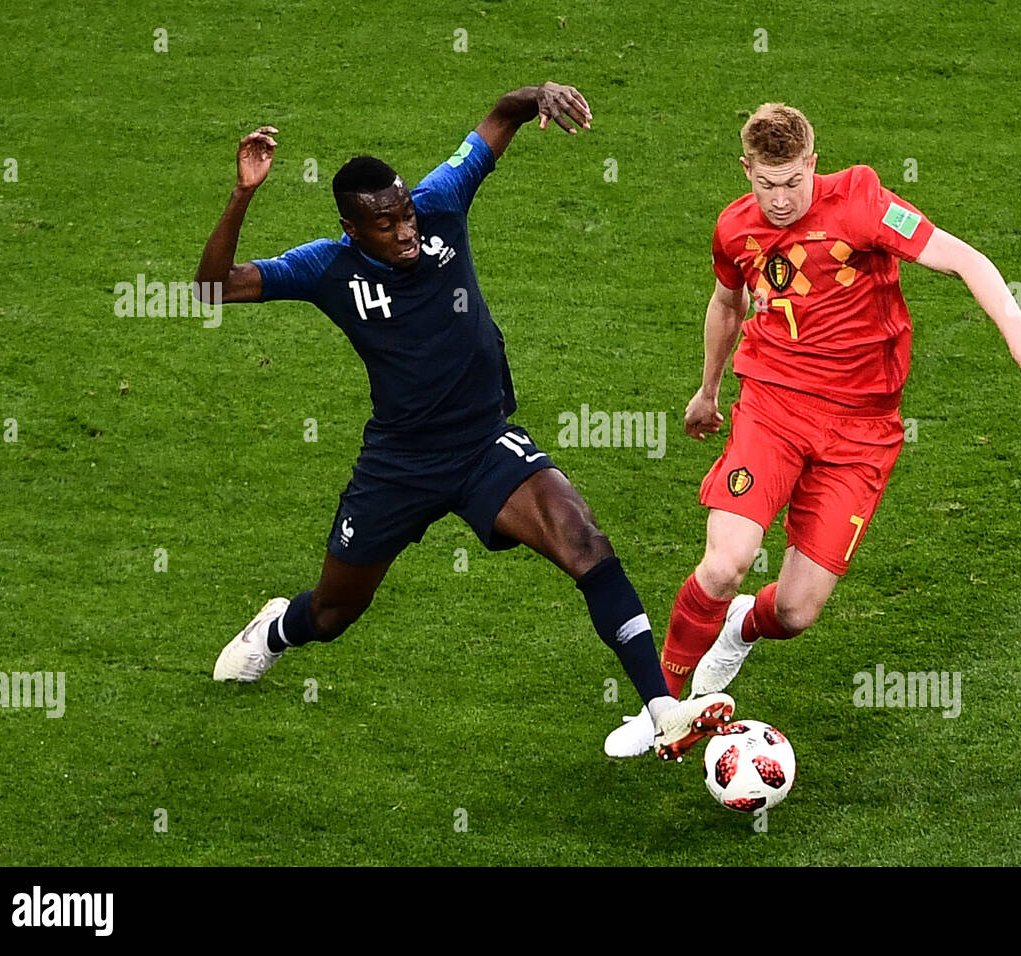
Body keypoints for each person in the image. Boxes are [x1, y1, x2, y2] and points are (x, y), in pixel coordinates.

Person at [195, 82, 733, 761]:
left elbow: (498, 118)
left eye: (405, 213)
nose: (405, 229)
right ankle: (276, 631)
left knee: (585, 542)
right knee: (334, 613)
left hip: (484, 442)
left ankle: (662, 711)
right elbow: (212, 287)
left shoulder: (440, 201)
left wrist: (542, 94)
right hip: (399, 464)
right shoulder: (326, 267)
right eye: (386, 224)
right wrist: (244, 193)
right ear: (353, 230)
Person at [605, 103, 1021, 756]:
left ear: (812, 166)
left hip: (860, 436)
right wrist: (707, 390)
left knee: (795, 612)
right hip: (771, 411)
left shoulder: (863, 202)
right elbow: (727, 302)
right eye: (765, 184)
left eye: (792, 182)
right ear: (747, 170)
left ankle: (741, 628)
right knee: (725, 563)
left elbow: (967, 260)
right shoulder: (734, 229)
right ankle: (664, 705)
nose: (778, 199)